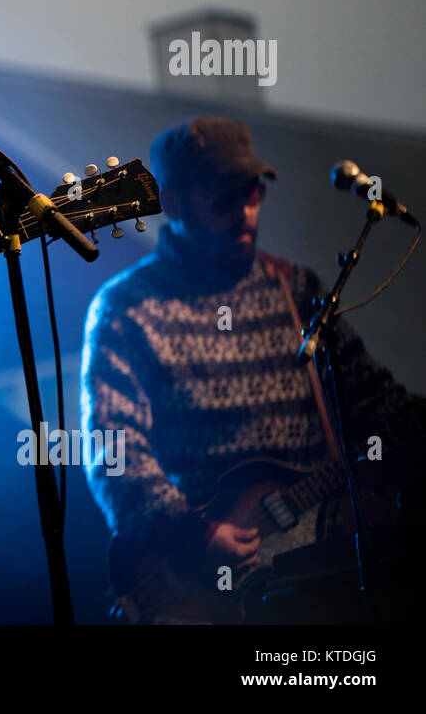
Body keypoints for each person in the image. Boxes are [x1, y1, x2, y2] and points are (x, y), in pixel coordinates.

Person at [80, 116, 425, 620]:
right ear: (173, 204)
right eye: (222, 197)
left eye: (252, 192)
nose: (244, 211)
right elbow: (114, 452)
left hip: (320, 574)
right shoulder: (127, 309)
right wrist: (193, 535)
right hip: (196, 584)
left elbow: (380, 405)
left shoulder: (296, 287)